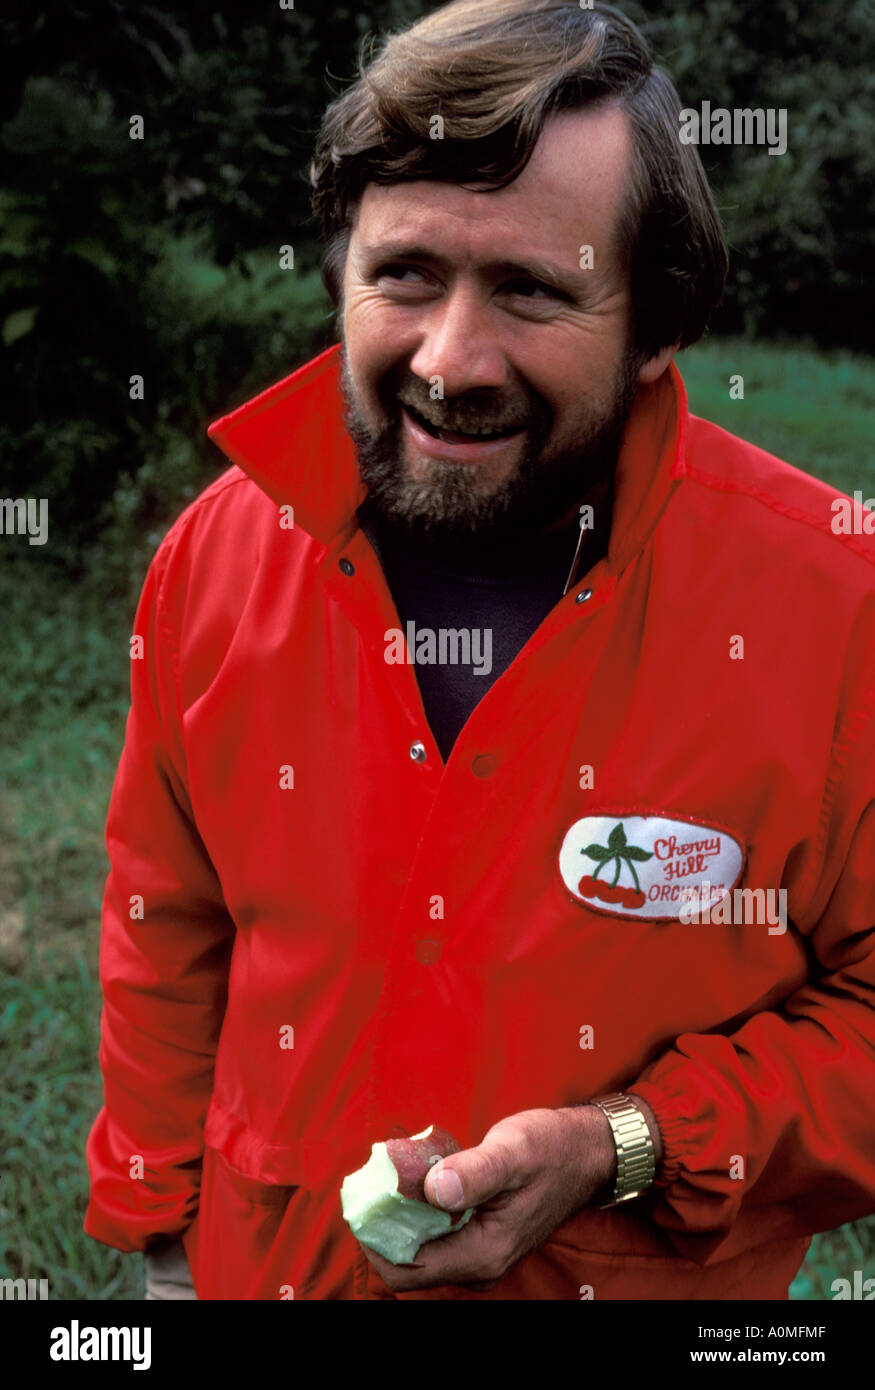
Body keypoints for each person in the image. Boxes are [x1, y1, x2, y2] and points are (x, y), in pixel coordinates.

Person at [84, 0, 875, 1300]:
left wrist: (631, 1143)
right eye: (405, 273)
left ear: (656, 325)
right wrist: (164, 1240)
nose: (452, 362)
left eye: (530, 288)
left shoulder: (837, 611)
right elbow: (164, 919)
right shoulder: (216, 558)